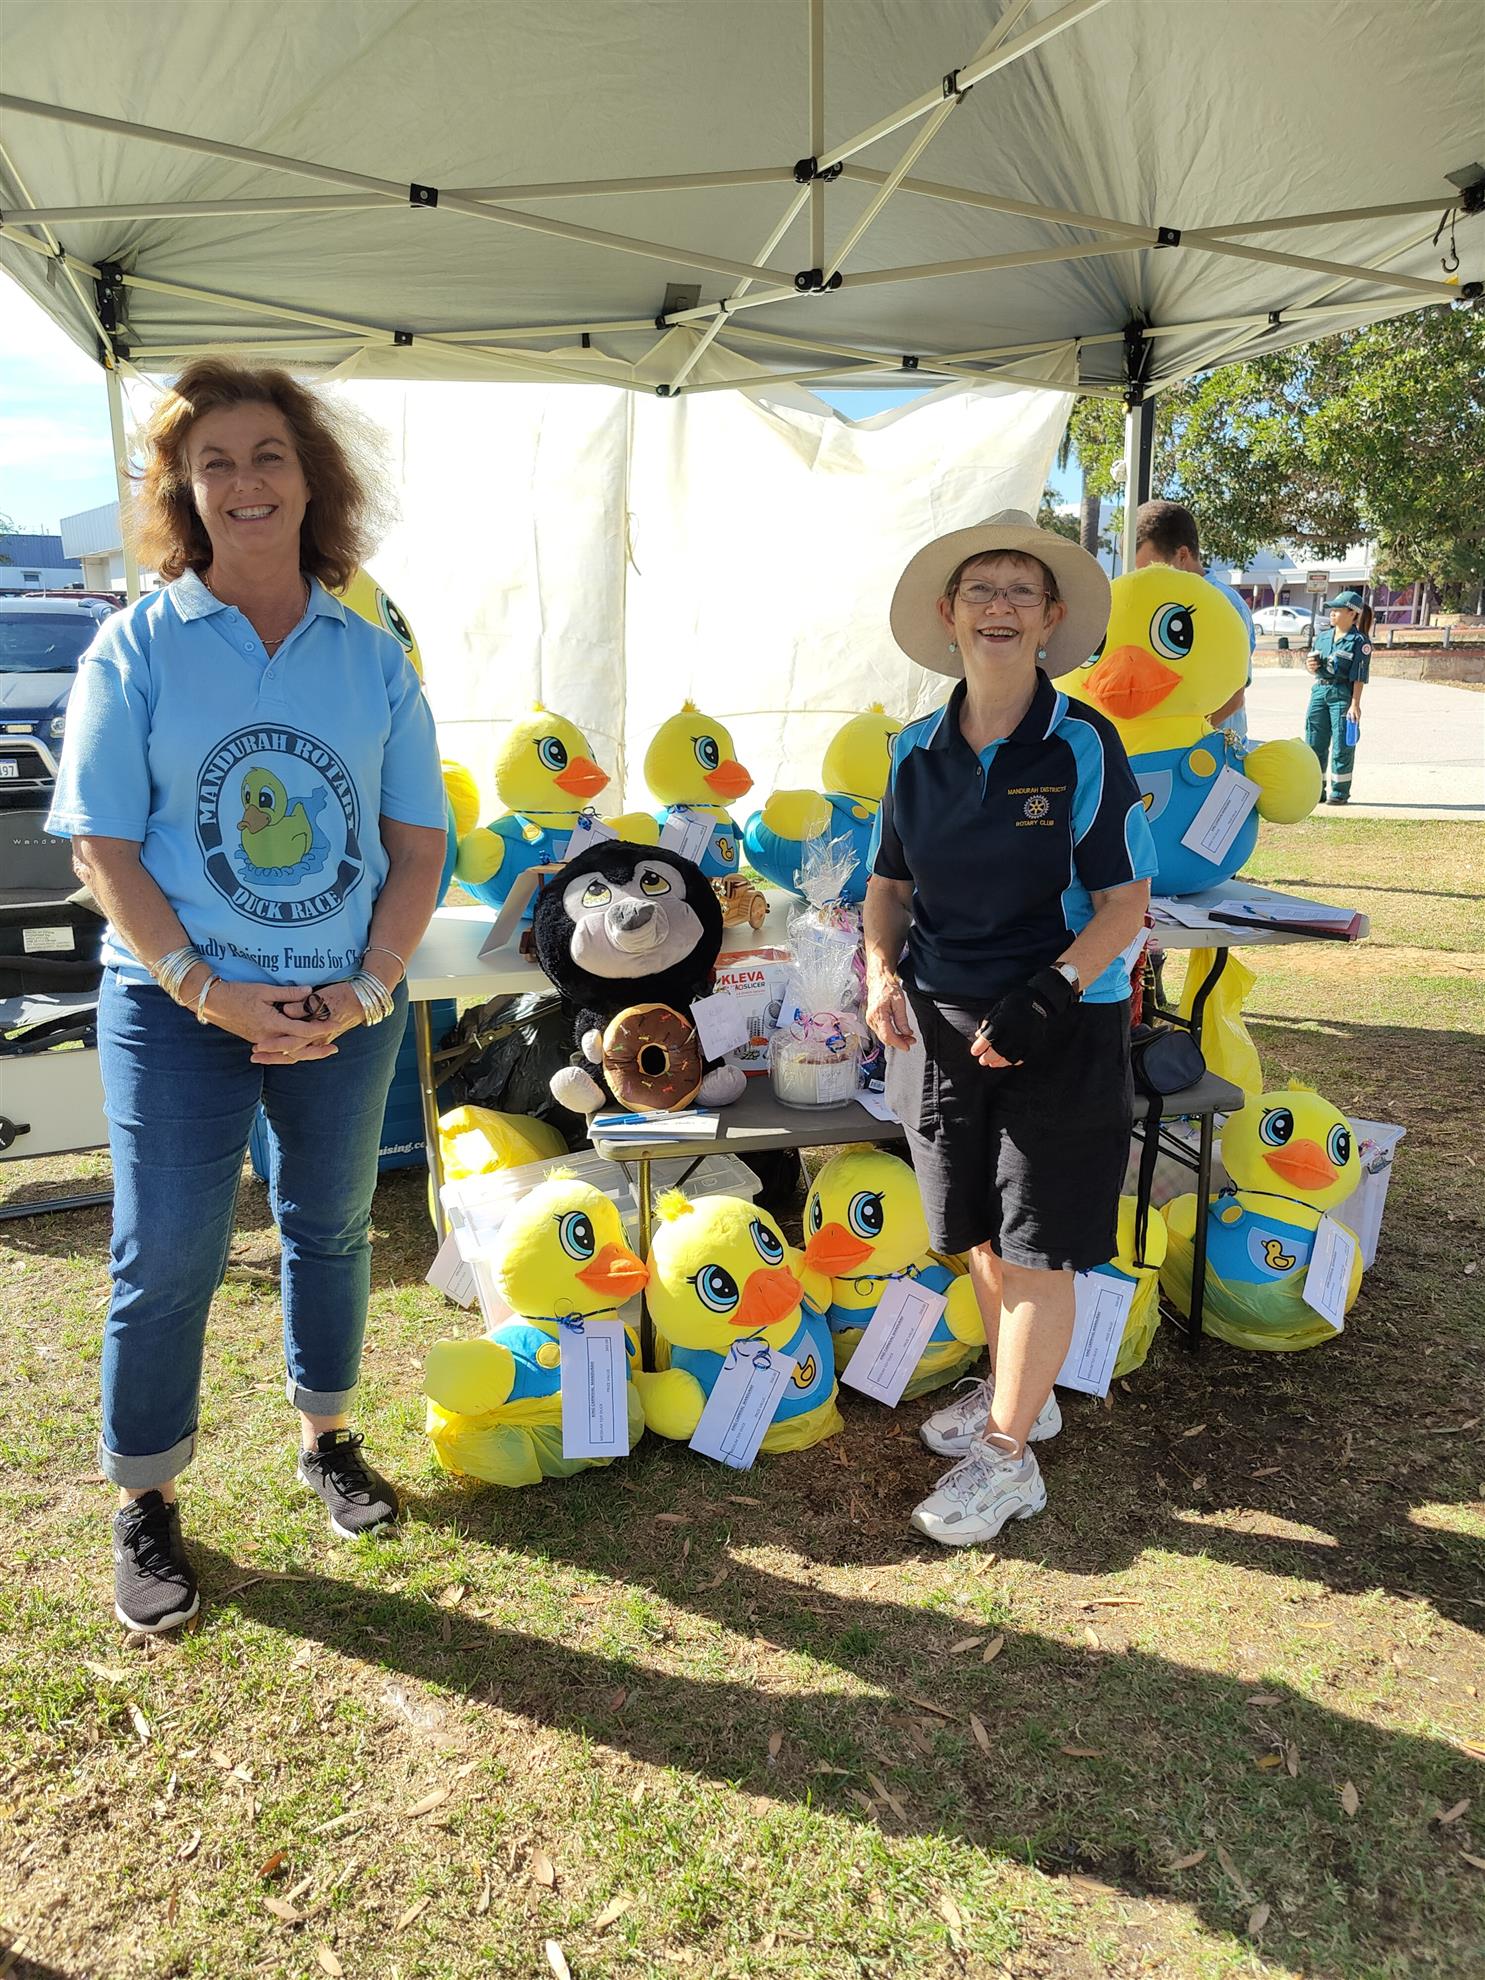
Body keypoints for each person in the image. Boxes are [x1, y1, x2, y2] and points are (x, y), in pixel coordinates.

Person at [45, 358, 449, 1633]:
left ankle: (327, 1437)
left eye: (267, 454)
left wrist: (368, 986)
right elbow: (101, 844)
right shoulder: (138, 646)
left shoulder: (370, 653)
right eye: (213, 460)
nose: (243, 481)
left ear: (309, 478)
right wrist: (205, 988)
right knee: (166, 1253)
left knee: (330, 1230)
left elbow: (418, 842)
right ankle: (147, 1503)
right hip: (173, 1007)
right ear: (180, 487)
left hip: (341, 1009)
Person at [863, 510, 1157, 1548]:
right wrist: (877, 970)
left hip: (1059, 1024)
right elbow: (886, 888)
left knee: (1038, 1249)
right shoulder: (912, 750)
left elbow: (1126, 900)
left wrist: (1051, 993)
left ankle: (1007, 1456)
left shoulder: (1083, 744)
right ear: (948, 617)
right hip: (942, 1026)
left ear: (1051, 621)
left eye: (1019, 593)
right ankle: (1016, 1396)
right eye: (980, 591)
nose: (998, 607)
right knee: (980, 1229)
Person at [1133, 498, 1255, 736]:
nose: (1146, 579)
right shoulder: (1159, 603)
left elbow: (1234, 696)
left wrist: (1184, 739)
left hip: (1215, 755)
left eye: (1151, 569)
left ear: (1182, 555)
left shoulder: (1224, 604)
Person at [1304, 590, 1372, 804]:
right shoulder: (1323, 637)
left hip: (1342, 693)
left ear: (1352, 614)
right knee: (1314, 740)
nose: (1332, 614)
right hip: (1319, 691)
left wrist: (1355, 704)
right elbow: (1314, 665)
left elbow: (1359, 676)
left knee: (1342, 743)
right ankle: (1317, 789)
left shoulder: (1359, 641)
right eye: (1331, 611)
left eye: (1337, 610)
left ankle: (1340, 791)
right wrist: (1310, 667)